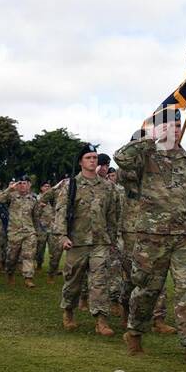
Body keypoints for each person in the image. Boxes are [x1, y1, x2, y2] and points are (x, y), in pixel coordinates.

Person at [113, 107, 186, 366]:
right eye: (171, 125)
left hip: (183, 236)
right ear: (161, 129)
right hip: (151, 236)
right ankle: (134, 332)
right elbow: (120, 158)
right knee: (148, 289)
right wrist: (149, 138)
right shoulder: (146, 156)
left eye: (179, 126)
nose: (176, 129)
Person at [55, 143, 122, 335]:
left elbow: (112, 214)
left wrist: (113, 238)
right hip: (77, 241)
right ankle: (68, 311)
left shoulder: (108, 187)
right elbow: (60, 213)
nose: (93, 161)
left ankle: (101, 320)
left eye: (95, 157)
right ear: (80, 162)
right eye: (88, 158)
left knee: (100, 281)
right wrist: (62, 236)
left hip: (100, 241)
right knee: (73, 281)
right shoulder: (71, 185)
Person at [0, 175, 39, 287]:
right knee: (11, 257)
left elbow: (35, 217)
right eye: (20, 183)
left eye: (24, 183)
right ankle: (10, 274)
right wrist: (10, 188)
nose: (22, 185)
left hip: (29, 231)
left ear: (29, 185)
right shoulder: (12, 196)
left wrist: (36, 231)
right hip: (14, 232)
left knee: (28, 255)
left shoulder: (33, 199)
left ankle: (28, 278)